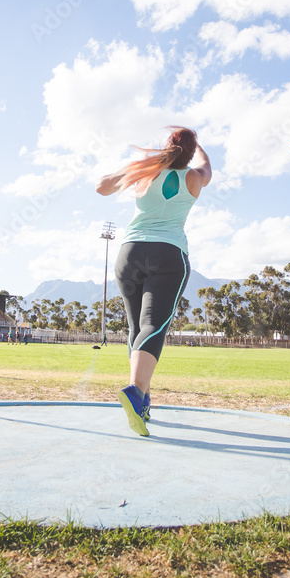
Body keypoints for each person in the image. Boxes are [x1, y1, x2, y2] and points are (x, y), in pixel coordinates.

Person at [96, 126, 212, 436]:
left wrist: (136, 168)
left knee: (137, 328)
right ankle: (135, 392)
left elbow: (101, 188)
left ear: (168, 147)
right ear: (190, 152)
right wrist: (198, 148)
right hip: (168, 255)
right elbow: (207, 166)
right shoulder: (195, 179)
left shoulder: (145, 172)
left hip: (129, 254)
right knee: (153, 326)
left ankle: (143, 400)